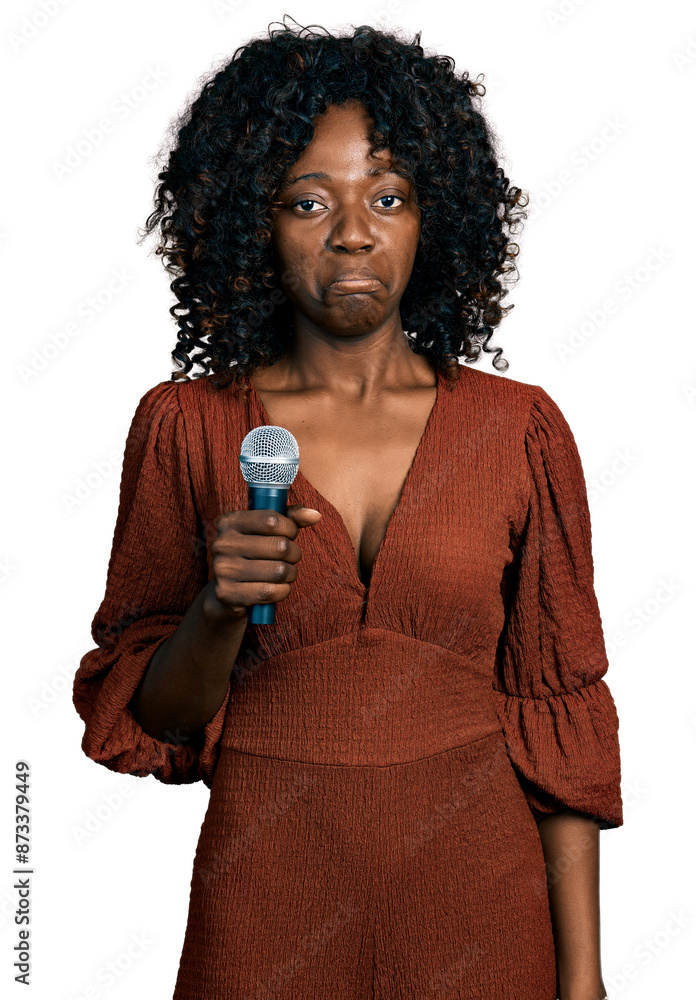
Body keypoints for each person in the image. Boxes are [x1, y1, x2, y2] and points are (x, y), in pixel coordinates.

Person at [72, 17, 622, 1000]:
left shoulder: (521, 431)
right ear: (251, 219)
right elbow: (155, 715)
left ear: (435, 217)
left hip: (480, 912)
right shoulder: (185, 427)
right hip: (268, 904)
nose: (355, 230)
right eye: (308, 200)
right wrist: (217, 609)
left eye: (391, 195)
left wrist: (583, 983)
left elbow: (558, 724)